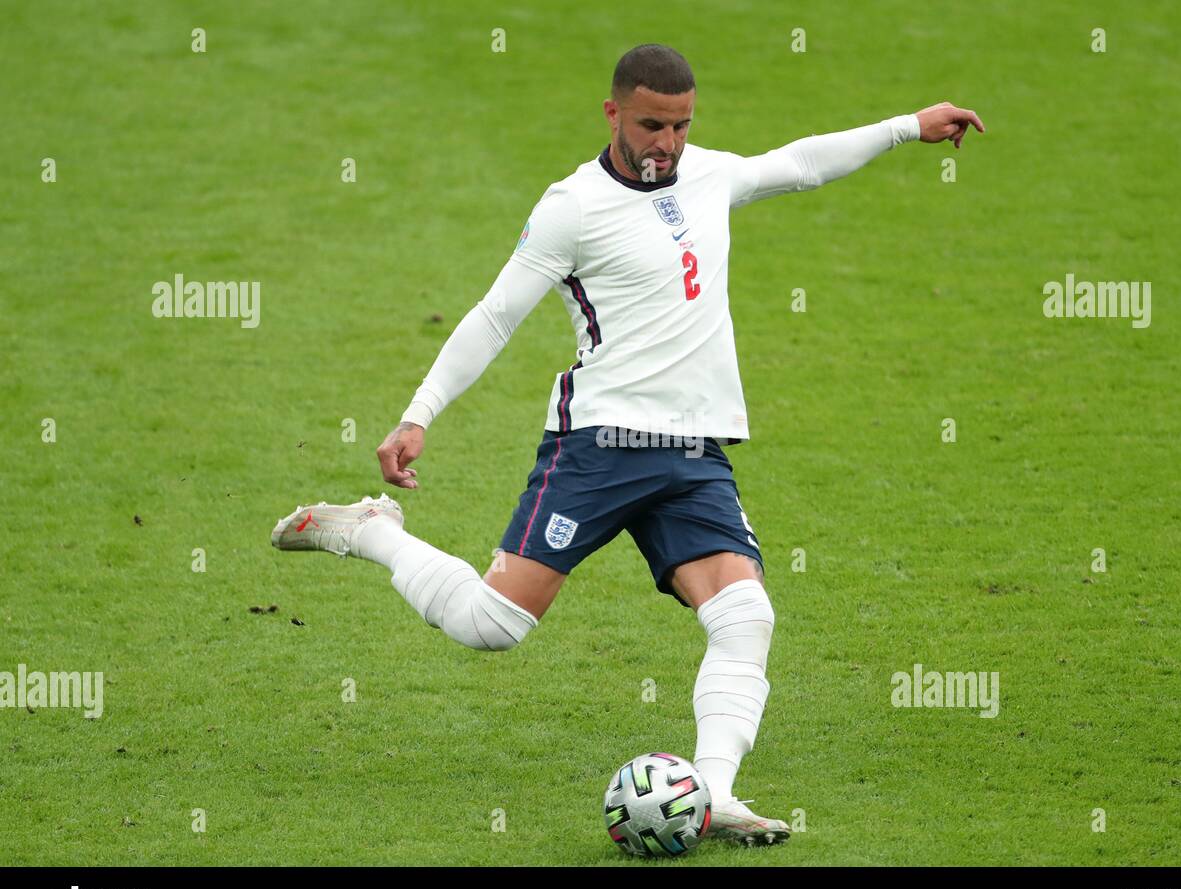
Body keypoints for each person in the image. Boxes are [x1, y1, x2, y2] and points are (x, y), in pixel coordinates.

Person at [272, 43, 983, 846]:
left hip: (692, 458)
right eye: (651, 126)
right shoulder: (571, 206)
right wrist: (418, 415)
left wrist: (906, 127)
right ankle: (371, 532)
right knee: (492, 626)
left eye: (681, 126)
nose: (667, 144)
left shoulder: (709, 175)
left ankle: (712, 795)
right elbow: (496, 315)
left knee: (745, 615)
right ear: (613, 113)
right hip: (598, 448)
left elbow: (800, 164)